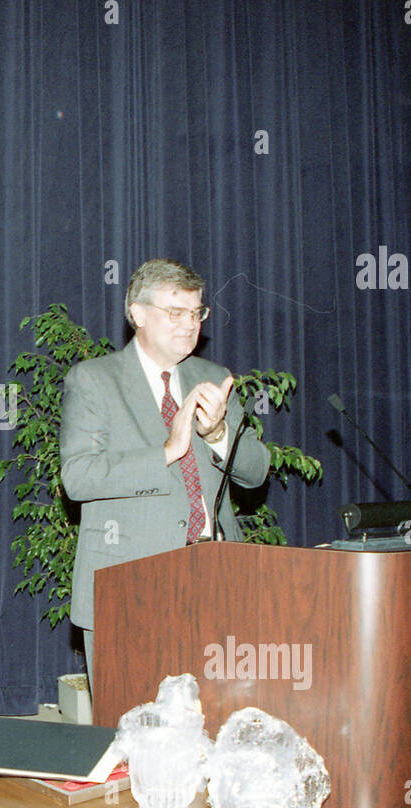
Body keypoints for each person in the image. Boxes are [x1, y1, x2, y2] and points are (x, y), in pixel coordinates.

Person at [60, 259, 270, 690]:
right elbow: (78, 477)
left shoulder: (214, 379)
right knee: (133, 729)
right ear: (136, 313)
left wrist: (218, 434)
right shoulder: (94, 380)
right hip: (130, 585)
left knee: (214, 725)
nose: (190, 324)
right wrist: (167, 452)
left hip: (218, 580)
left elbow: (256, 472)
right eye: (176, 312)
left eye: (197, 313)